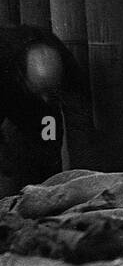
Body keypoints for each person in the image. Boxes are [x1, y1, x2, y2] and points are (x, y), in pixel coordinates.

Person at [0, 25, 87, 196]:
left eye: (50, 91)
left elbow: (79, 117)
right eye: (41, 90)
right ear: (21, 75)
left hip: (37, 105)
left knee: (48, 143)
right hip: (8, 92)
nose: (46, 97)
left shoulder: (67, 64)